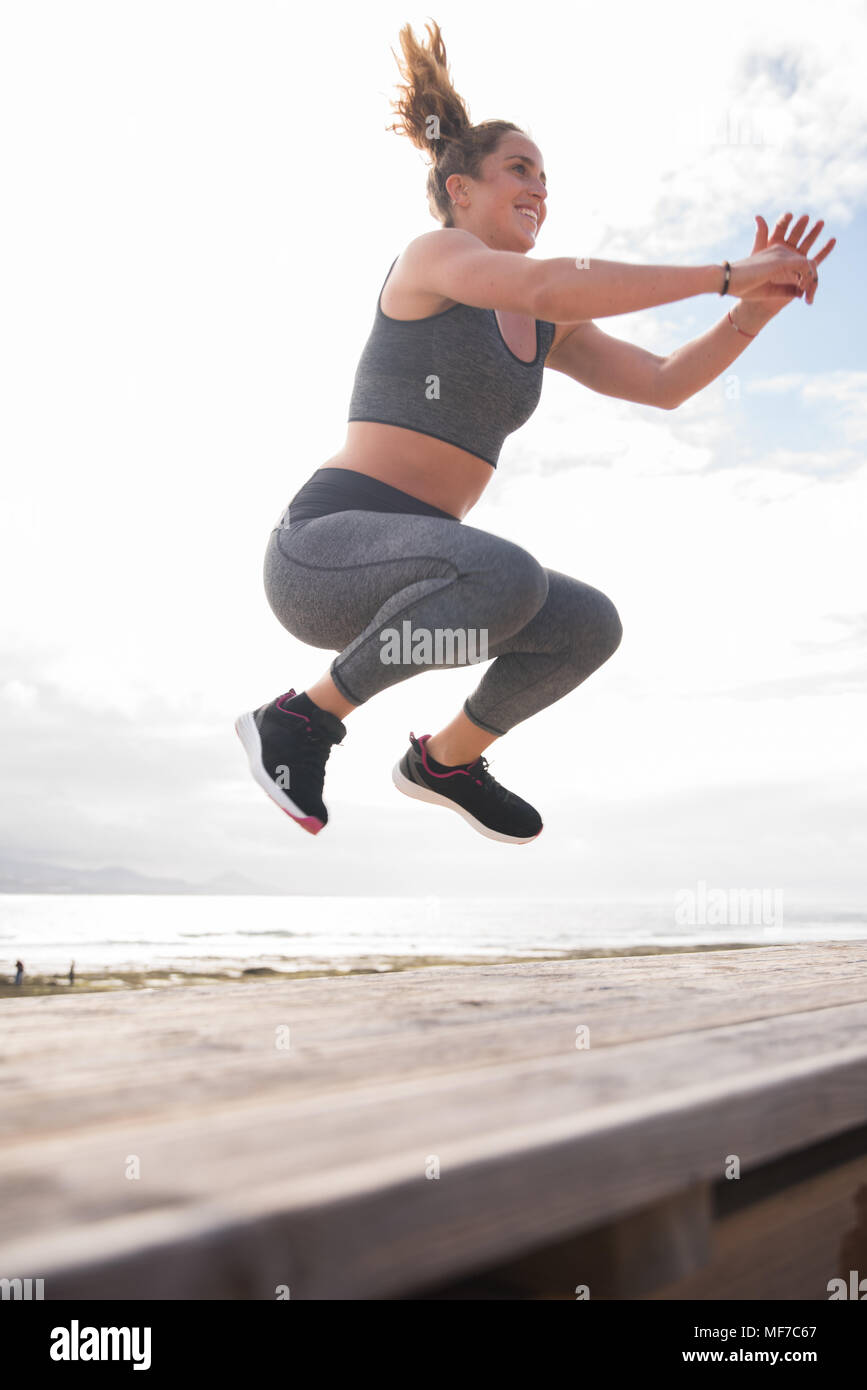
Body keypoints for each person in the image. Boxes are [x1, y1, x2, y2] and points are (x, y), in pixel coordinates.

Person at [235, 20, 831, 846]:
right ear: (459, 191)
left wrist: (749, 311)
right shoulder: (434, 257)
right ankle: (299, 720)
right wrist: (726, 269)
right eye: (519, 170)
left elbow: (660, 385)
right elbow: (554, 281)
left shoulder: (544, 323)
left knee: (586, 623)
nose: (539, 191)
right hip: (323, 553)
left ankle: (445, 761)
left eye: (546, 181)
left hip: (423, 584)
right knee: (508, 574)